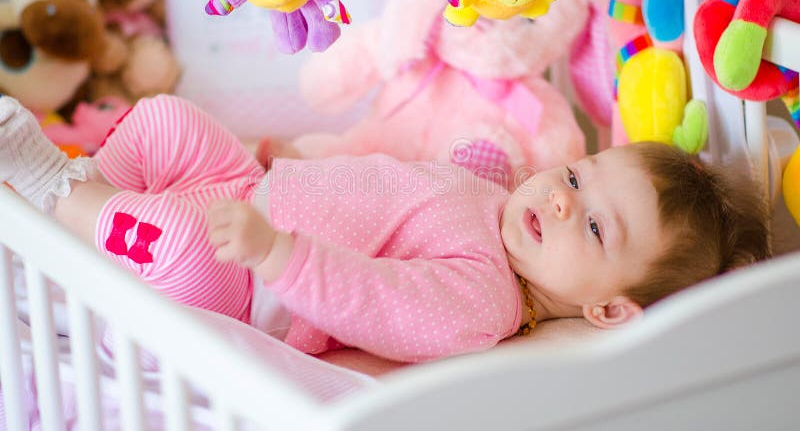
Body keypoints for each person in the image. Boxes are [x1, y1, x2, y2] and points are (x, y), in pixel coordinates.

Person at [0, 94, 771, 362]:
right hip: (253, 186)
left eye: (597, 228)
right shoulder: (501, 209)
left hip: (241, 280)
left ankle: (53, 189)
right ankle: (89, 198)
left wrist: (280, 255)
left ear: (607, 308)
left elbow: (377, 296)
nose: (563, 199)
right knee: (169, 120)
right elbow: (445, 180)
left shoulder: (484, 301)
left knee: (175, 242)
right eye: (575, 175)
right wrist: (483, 158)